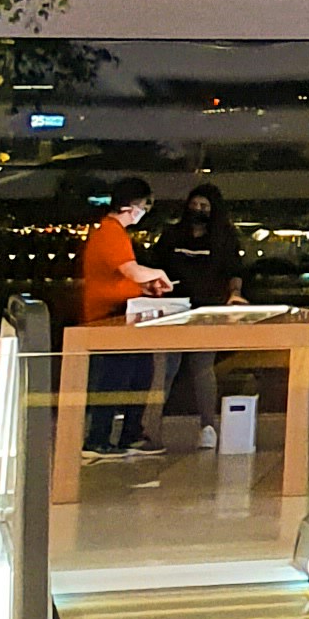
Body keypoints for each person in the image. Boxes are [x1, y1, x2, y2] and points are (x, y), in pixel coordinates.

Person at [75, 179, 175, 457]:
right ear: (130, 206)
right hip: (109, 316)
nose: (143, 211)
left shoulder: (112, 233)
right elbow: (131, 271)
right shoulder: (111, 233)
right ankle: (98, 439)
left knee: (138, 375)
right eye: (143, 205)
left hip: (121, 314)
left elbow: (122, 276)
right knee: (115, 379)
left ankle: (130, 434)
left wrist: (143, 286)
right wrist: (156, 276)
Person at [152, 177, 244, 443]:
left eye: (204, 206)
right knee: (166, 369)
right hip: (173, 308)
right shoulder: (171, 236)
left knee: (203, 368)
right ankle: (151, 428)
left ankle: (208, 426)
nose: (198, 210)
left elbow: (234, 271)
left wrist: (234, 295)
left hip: (208, 309)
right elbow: (156, 266)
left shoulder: (224, 239)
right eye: (194, 205)